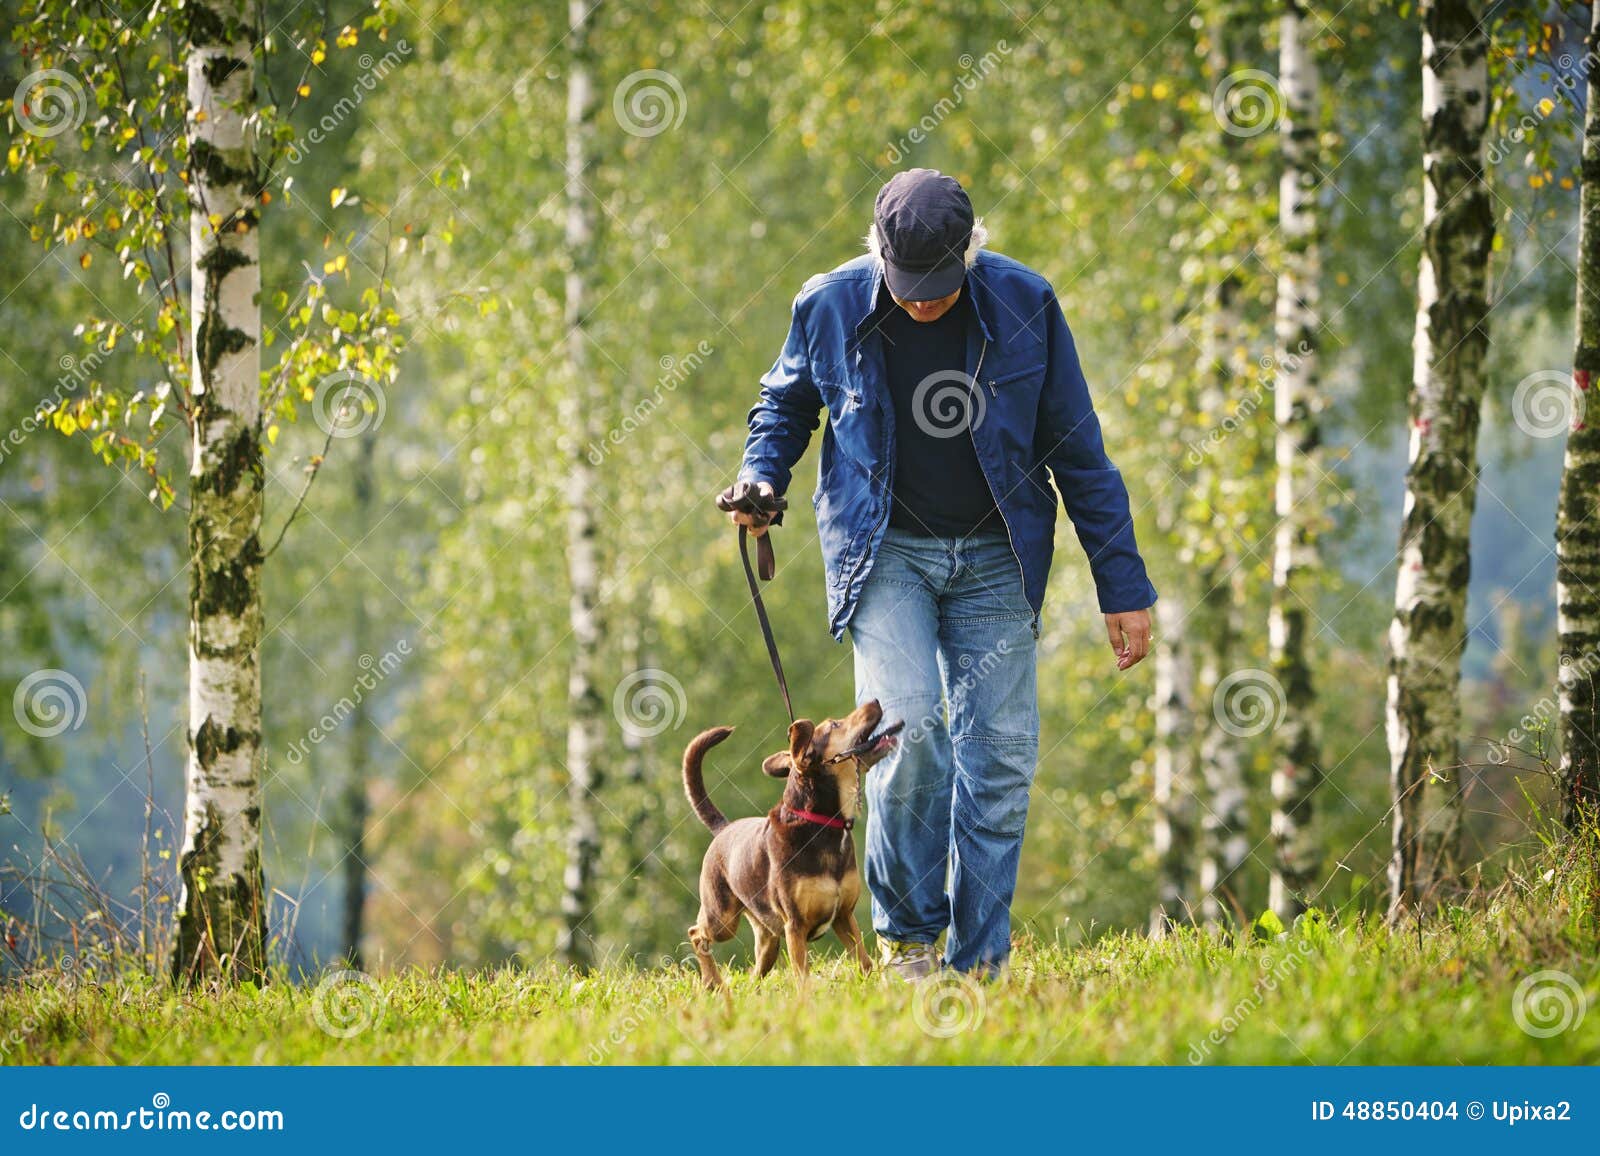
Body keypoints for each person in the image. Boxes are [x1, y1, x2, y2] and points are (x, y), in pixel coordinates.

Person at [721, 168, 1156, 977]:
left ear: (972, 252)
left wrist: (1121, 587)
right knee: (907, 731)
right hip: (886, 553)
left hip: (999, 558)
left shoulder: (1027, 304)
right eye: (908, 285)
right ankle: (911, 943)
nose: (923, 301)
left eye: (941, 286)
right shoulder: (831, 304)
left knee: (997, 755)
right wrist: (762, 478)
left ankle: (980, 961)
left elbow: (1080, 452)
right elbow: (784, 405)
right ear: (877, 255)